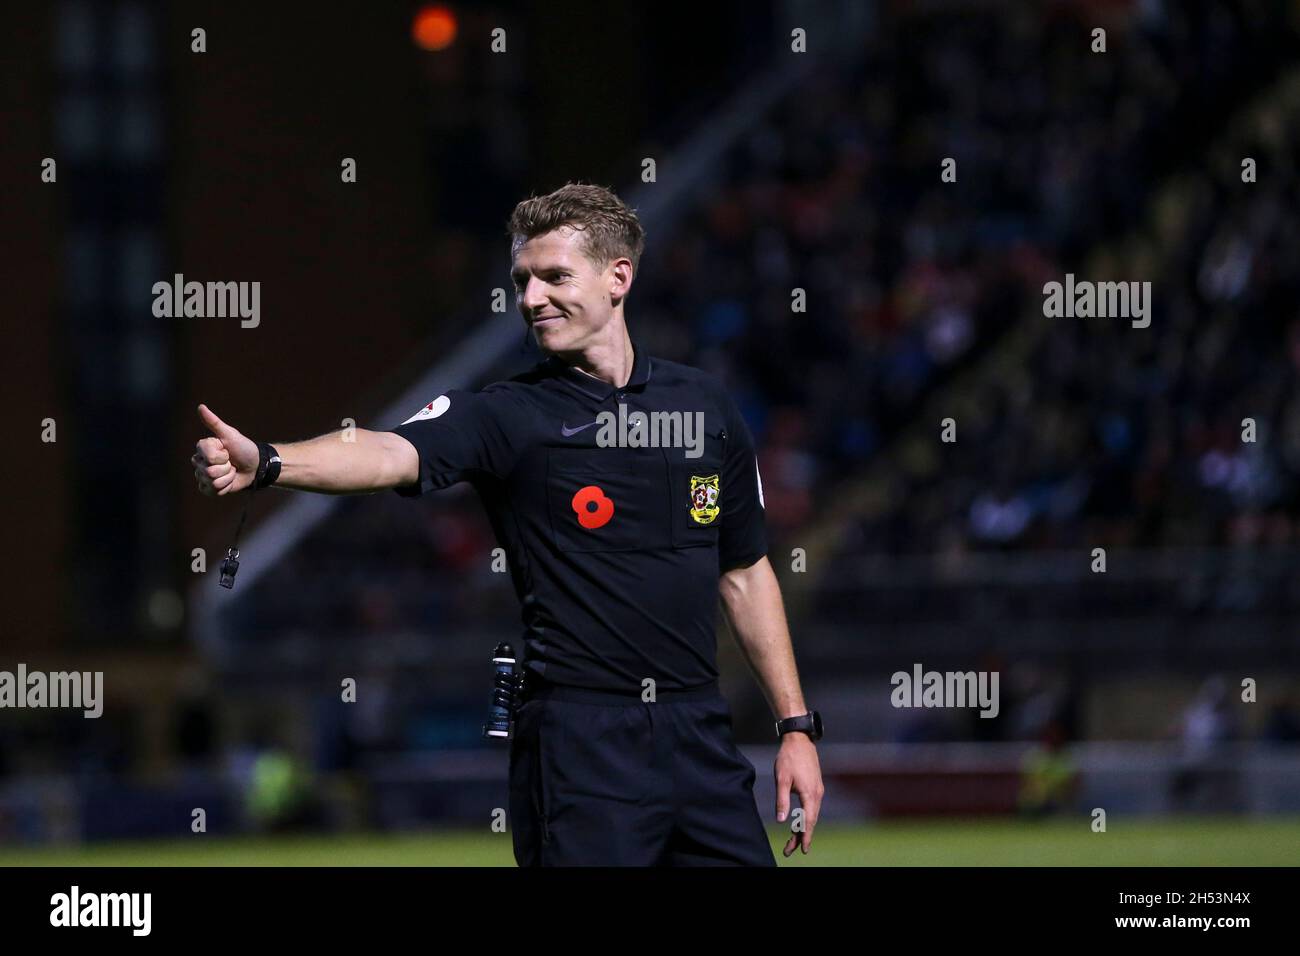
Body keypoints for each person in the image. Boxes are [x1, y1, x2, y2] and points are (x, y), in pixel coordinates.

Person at [191, 182, 824, 866]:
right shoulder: (507, 414)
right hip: (580, 748)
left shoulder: (705, 406)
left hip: (700, 736)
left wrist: (795, 727)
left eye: (554, 277)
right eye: (522, 281)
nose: (531, 299)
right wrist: (270, 461)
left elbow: (744, 572)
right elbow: (388, 451)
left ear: (618, 278)